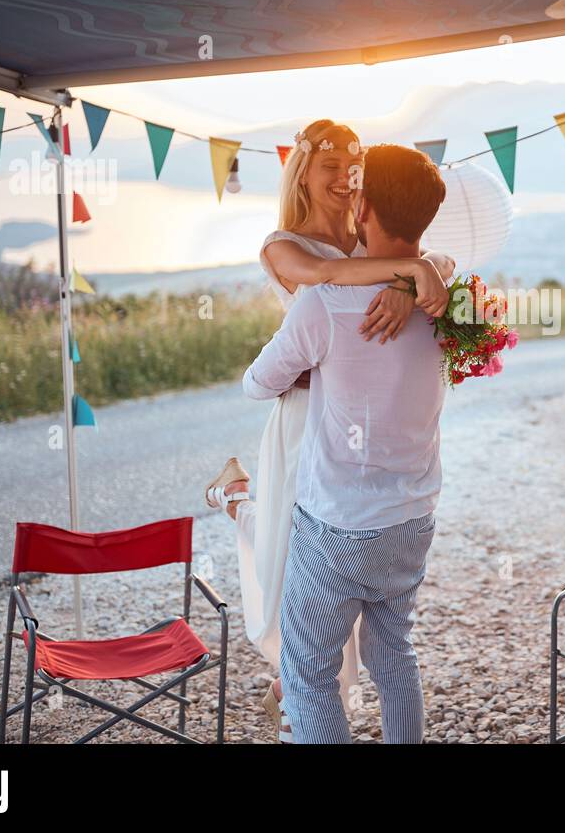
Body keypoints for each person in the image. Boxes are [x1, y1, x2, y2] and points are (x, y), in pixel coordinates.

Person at [202, 121, 453, 741]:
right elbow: (324, 278)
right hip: (302, 424)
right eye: (330, 167)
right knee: (290, 561)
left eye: (353, 167)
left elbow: (436, 262)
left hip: (341, 449)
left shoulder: (378, 247)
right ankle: (299, 706)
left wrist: (406, 276)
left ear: (366, 195)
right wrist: (405, 272)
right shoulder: (285, 248)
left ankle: (304, 704)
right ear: (302, 174)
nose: (343, 178)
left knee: (320, 594)